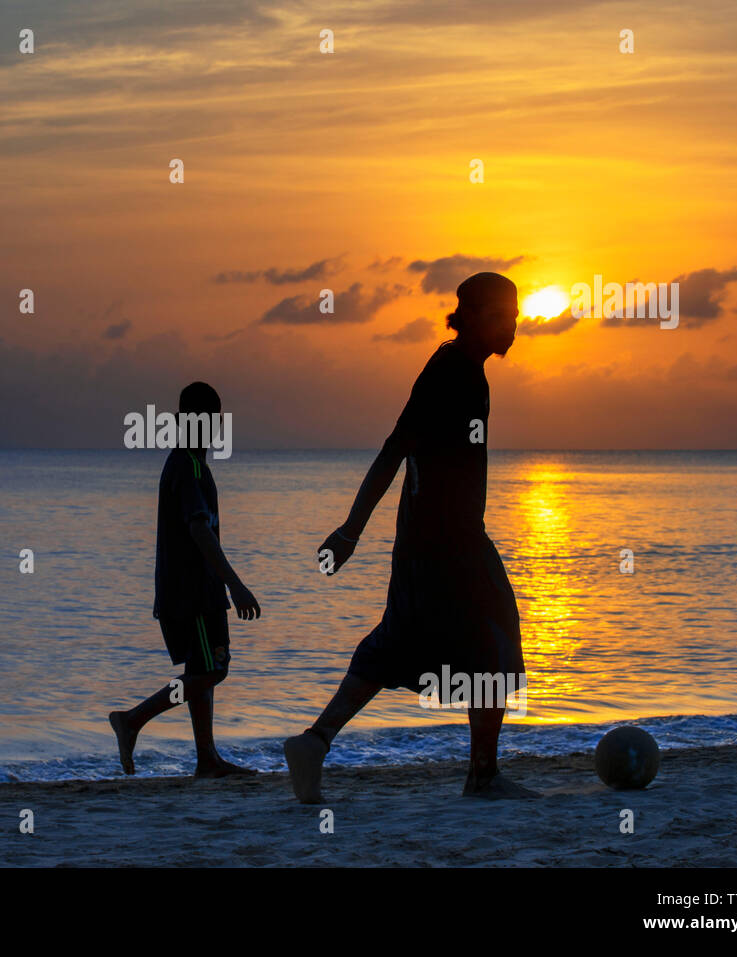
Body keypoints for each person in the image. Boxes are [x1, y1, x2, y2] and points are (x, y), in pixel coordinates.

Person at [284, 272, 535, 802]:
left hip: (447, 538)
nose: (513, 325)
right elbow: (396, 447)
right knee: (492, 640)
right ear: (472, 317)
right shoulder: (451, 373)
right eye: (502, 315)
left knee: (402, 643)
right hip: (443, 543)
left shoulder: (467, 371)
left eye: (516, 313)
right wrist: (351, 531)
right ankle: (482, 776)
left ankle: (315, 742)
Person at [110, 381, 261, 778]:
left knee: (203, 668)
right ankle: (133, 721)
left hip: (197, 591)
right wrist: (235, 583)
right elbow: (199, 531)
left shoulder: (190, 464)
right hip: (192, 593)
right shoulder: (188, 466)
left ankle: (206, 757)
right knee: (212, 670)